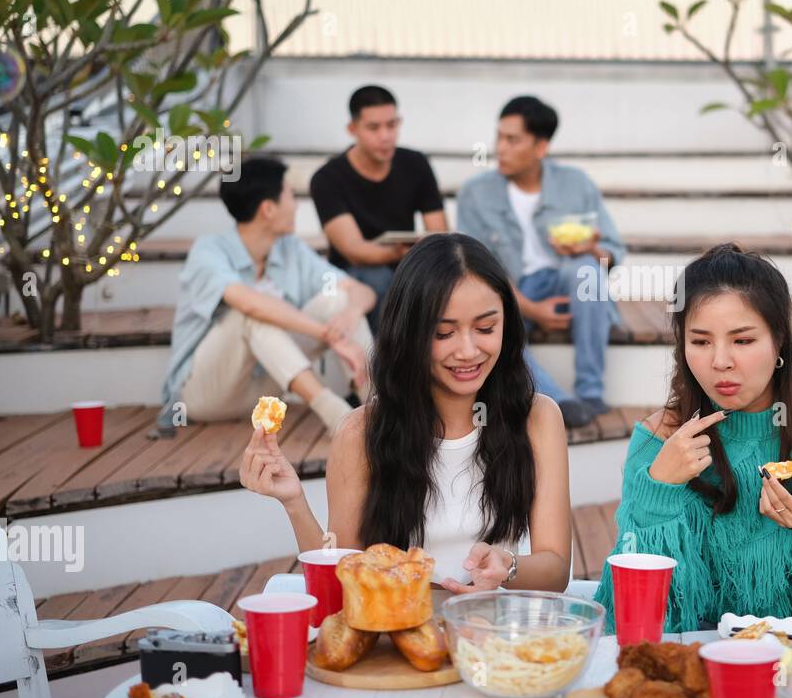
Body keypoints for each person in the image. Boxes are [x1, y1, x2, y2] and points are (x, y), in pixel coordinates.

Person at [591, 243, 792, 634]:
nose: (720, 361)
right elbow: (627, 614)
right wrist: (657, 493)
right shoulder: (660, 439)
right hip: (698, 662)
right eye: (700, 341)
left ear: (778, 342)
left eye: (742, 341)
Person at [239, 232, 573, 602]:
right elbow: (341, 585)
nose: (468, 350)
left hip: (493, 636)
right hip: (396, 638)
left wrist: (507, 565)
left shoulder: (538, 417)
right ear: (409, 334)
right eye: (444, 332)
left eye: (485, 328)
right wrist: (294, 502)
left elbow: (555, 569)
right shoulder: (361, 432)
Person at [155, 156, 375, 437]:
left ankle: (378, 411)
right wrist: (329, 334)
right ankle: (338, 416)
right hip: (205, 395)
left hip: (262, 394)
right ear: (268, 209)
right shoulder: (209, 251)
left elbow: (358, 290)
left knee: (338, 301)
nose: (296, 205)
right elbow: (249, 303)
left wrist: (349, 315)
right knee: (248, 313)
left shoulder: (290, 250)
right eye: (291, 196)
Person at [455, 95, 625, 430]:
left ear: (541, 146)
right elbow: (476, 272)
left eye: (512, 140)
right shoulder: (475, 193)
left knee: (587, 271)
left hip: (568, 283)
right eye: (499, 137)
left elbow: (611, 253)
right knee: (489, 322)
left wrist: (590, 249)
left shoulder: (576, 183)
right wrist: (531, 309)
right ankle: (558, 401)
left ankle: (591, 390)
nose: (500, 148)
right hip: (509, 290)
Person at [310, 85, 449, 331]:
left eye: (392, 125)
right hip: (353, 273)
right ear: (352, 129)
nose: (385, 136)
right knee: (381, 280)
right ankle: (386, 364)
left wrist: (415, 254)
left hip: (408, 263)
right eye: (374, 128)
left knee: (446, 274)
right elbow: (354, 251)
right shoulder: (328, 178)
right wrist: (401, 253)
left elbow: (439, 231)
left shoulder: (415, 163)